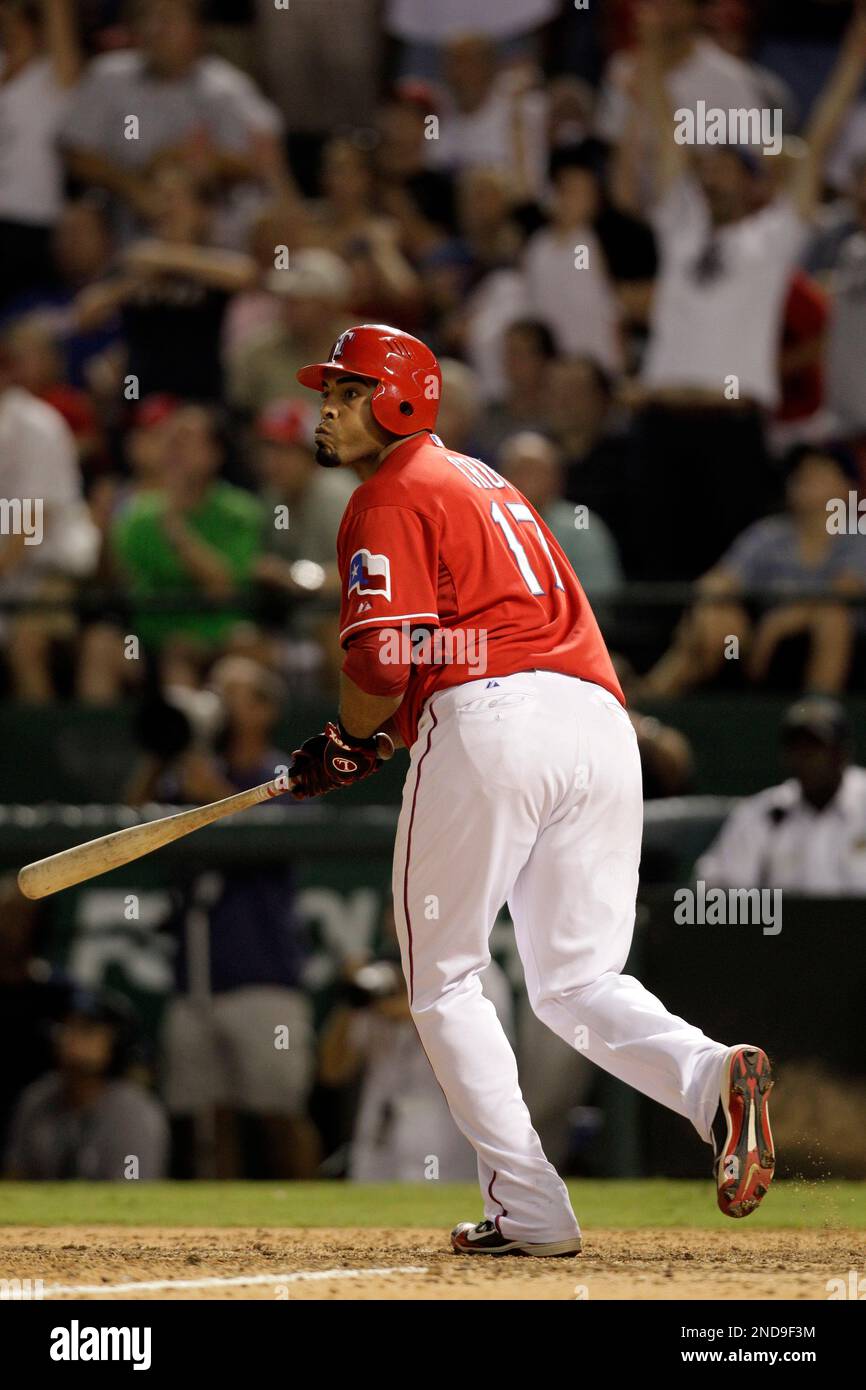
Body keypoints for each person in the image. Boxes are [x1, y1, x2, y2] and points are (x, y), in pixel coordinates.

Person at [287, 322, 775, 1255]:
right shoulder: (487, 481)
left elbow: (386, 655)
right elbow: (449, 639)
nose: (329, 408)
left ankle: (531, 1208)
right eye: (332, 391)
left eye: (348, 392)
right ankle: (712, 1079)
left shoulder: (388, 492)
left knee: (442, 980)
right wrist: (369, 734)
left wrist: (350, 739)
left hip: (492, 721)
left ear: (397, 402)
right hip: (598, 722)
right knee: (578, 981)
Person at [639, 444, 866, 698]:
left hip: (839, 643)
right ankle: (649, 701)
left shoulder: (858, 536)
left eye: (819, 473)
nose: (805, 479)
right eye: (800, 473)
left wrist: (779, 624)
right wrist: (703, 608)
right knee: (717, 619)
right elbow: (719, 580)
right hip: (758, 644)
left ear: (849, 488)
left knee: (832, 618)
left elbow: (842, 593)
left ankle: (816, 718)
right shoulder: (768, 534)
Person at [696, 697, 866, 894]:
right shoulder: (765, 813)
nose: (804, 758)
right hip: (782, 925)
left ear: (841, 754)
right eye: (796, 748)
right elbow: (715, 890)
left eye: (815, 747)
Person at [4, 989, 169, 1181]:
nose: (69, 1038)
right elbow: (14, 1180)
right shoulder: (37, 1099)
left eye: (87, 1029)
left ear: (117, 1042)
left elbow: (132, 1191)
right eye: (65, 1027)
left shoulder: (135, 1113)